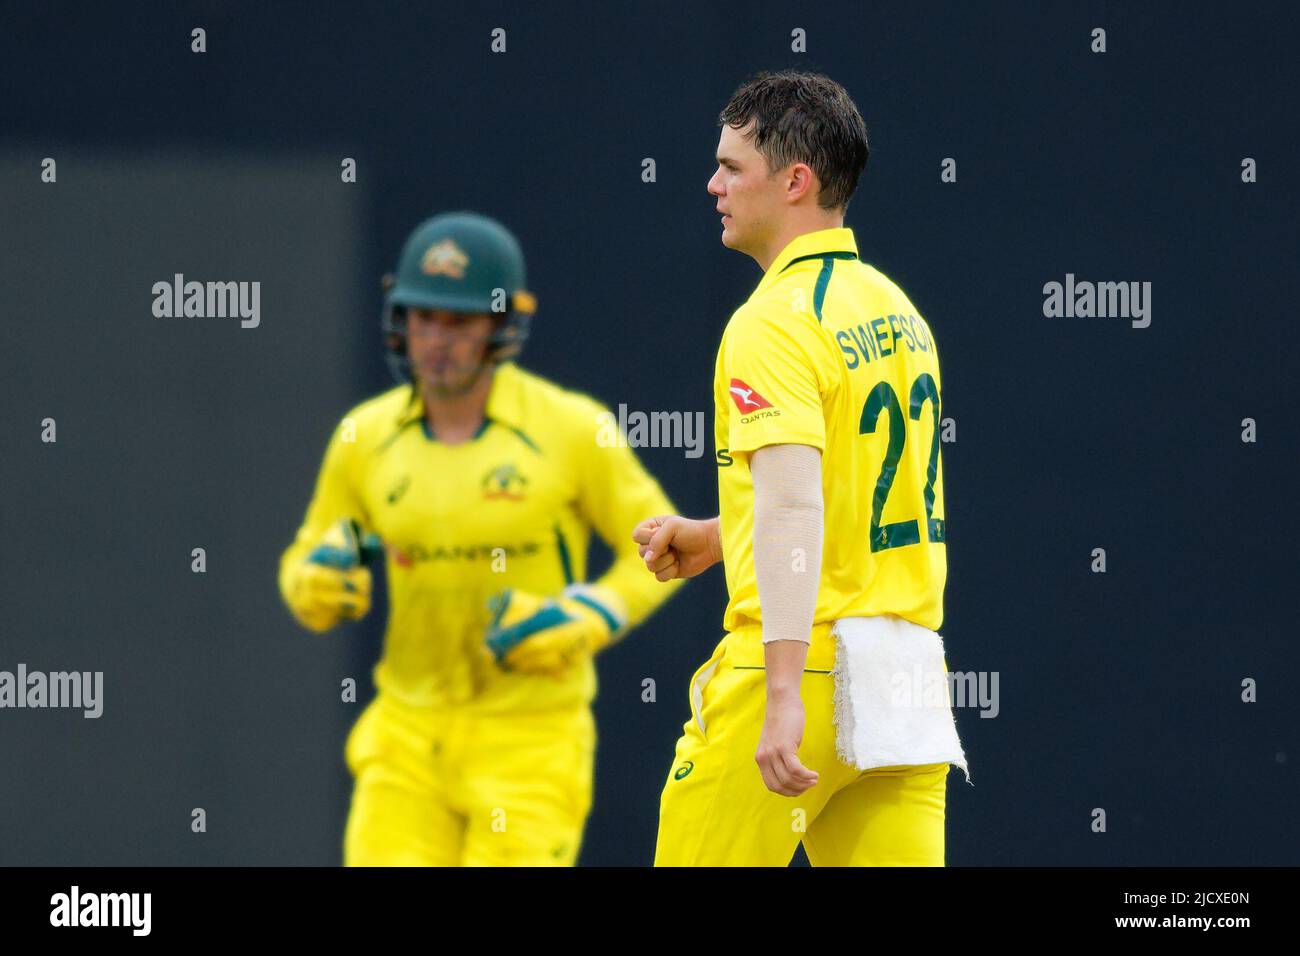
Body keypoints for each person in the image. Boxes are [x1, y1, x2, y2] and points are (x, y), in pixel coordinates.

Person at [636, 71, 968, 867]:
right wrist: (723, 534)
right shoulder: (896, 310)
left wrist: (782, 693)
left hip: (798, 665)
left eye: (732, 167)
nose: (713, 183)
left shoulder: (772, 322)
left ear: (795, 181)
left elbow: (793, 512)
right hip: (904, 679)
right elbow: (839, 493)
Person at [279, 211, 682, 866]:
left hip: (530, 741)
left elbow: (664, 548)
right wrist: (313, 582)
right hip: (406, 736)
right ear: (400, 320)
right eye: (423, 317)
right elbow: (311, 551)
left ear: (501, 328)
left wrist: (589, 614)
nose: (437, 340)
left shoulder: (572, 430)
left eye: (461, 323)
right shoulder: (364, 437)